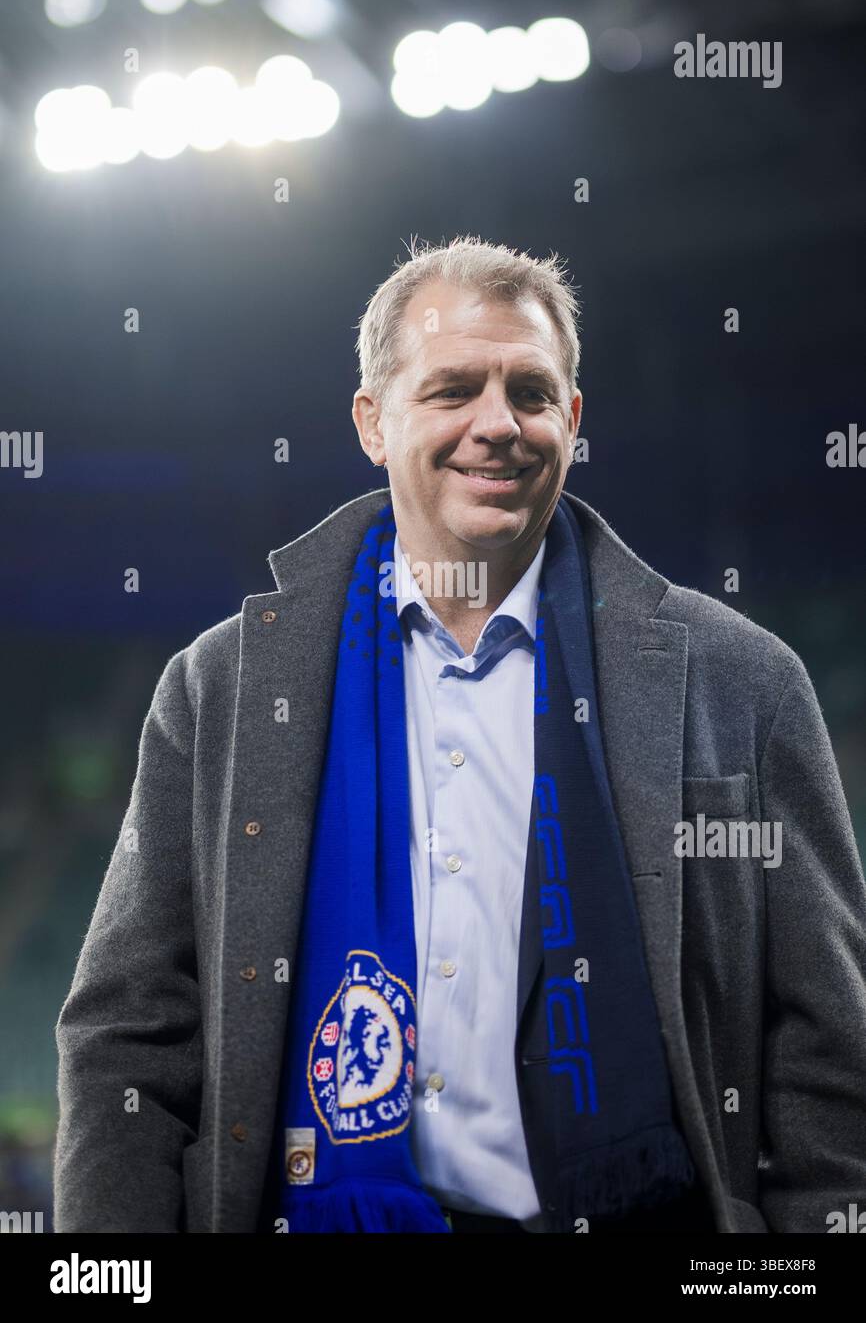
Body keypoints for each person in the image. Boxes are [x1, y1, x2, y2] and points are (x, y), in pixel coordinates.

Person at [53, 236, 866, 1234]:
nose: (497, 425)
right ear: (371, 421)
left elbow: (826, 1051)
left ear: (569, 420)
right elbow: (128, 1034)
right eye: (450, 391)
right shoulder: (221, 688)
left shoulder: (739, 681)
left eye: (529, 392)